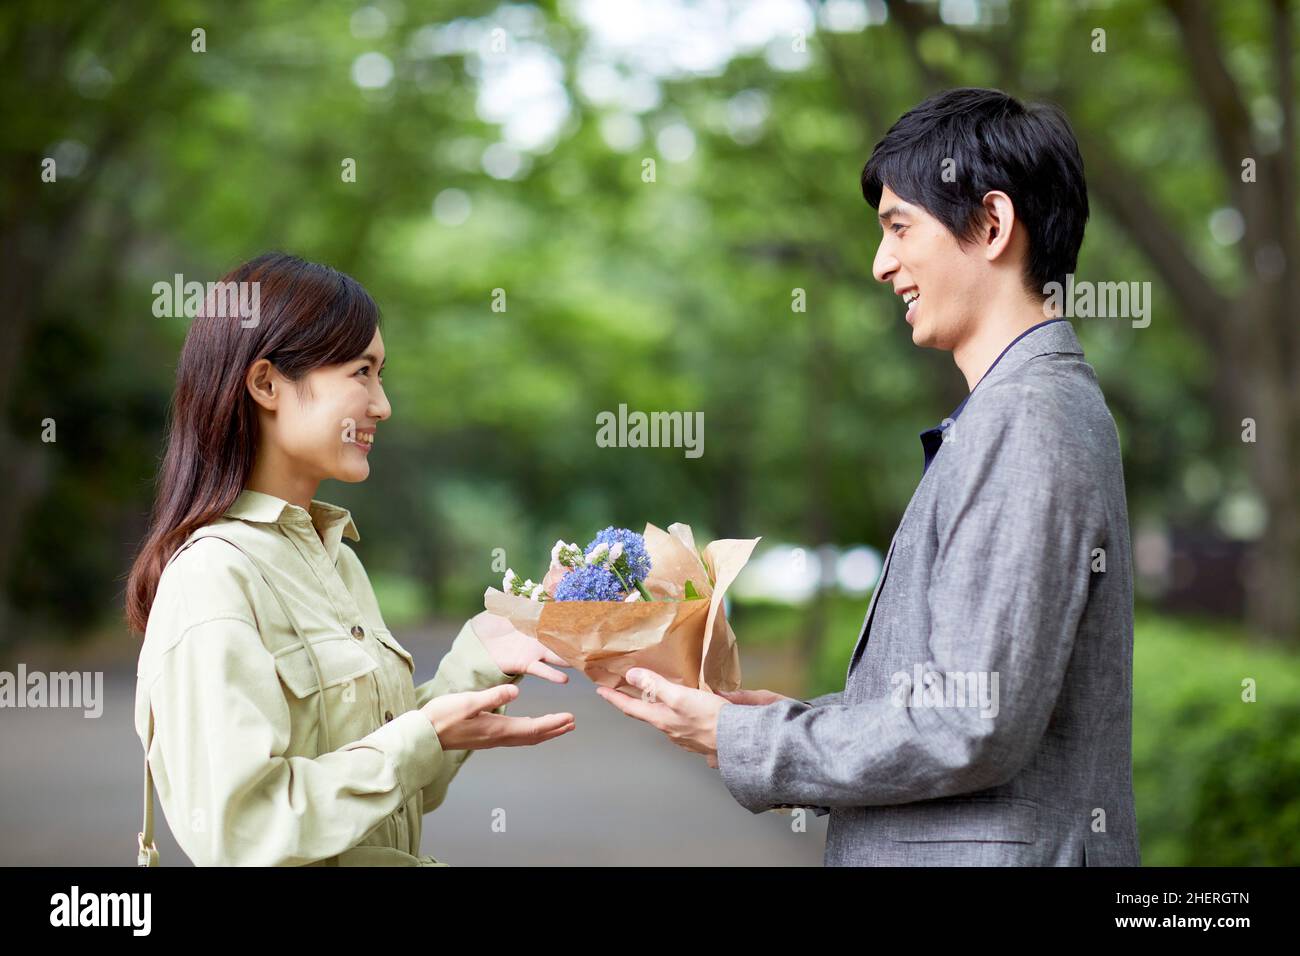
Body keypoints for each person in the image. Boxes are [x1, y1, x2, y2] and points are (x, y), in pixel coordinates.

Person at [598, 87, 1140, 866]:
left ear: (992, 224)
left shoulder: (1028, 419)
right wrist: (796, 725)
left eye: (898, 227)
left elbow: (972, 722)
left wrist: (746, 738)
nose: (881, 263)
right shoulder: (1022, 410)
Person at [126, 252, 573, 866]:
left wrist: (481, 661)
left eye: (380, 375)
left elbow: (396, 789)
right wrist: (423, 736)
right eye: (362, 372)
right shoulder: (212, 578)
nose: (382, 405)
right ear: (266, 384)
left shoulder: (337, 563)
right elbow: (241, 832)